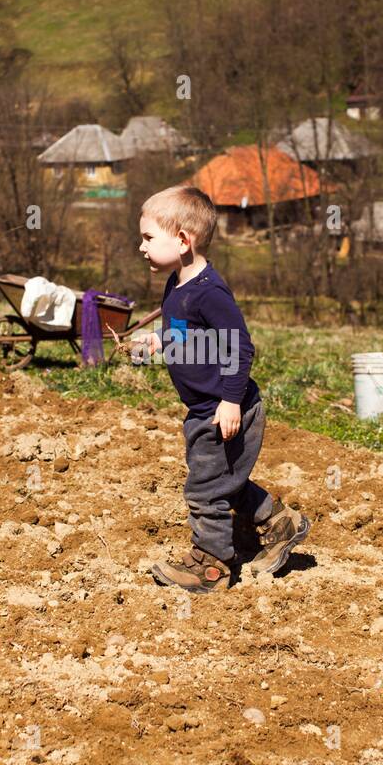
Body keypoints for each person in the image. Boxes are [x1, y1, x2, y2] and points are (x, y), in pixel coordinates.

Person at [130, 185, 310, 593]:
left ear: (182, 240)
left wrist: (230, 401)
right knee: (220, 481)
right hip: (203, 409)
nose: (140, 247)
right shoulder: (177, 284)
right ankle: (279, 522)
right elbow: (184, 333)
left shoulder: (209, 292)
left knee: (204, 489)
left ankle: (211, 567)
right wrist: (157, 343)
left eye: (147, 237)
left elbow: (239, 345)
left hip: (225, 408)